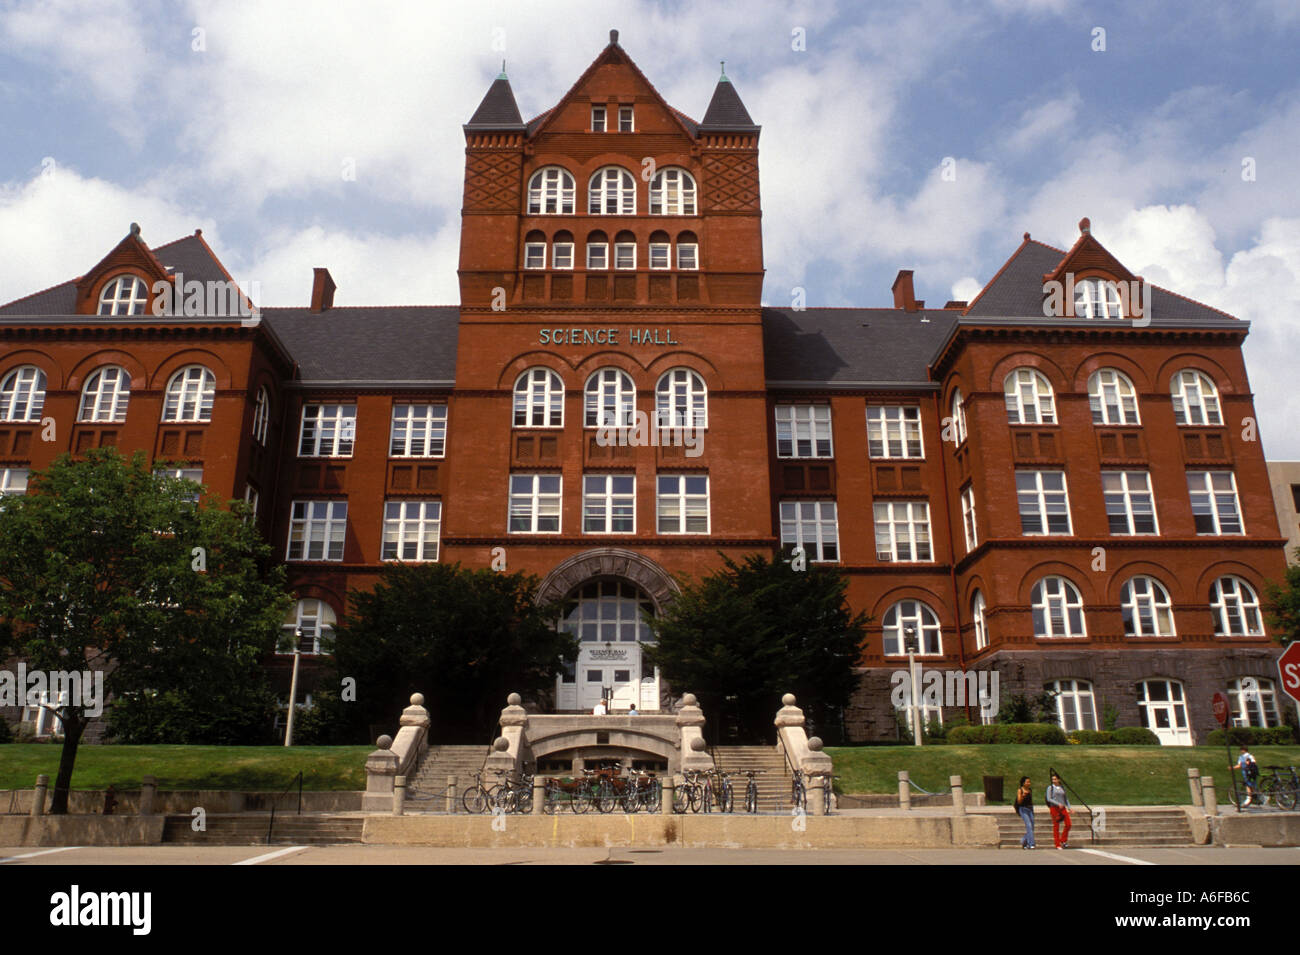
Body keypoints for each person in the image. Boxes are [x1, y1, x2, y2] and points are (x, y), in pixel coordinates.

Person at [1045, 772, 1071, 848]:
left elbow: (1065, 798)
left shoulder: (1062, 787)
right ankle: (1057, 844)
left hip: (1062, 808)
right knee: (1056, 826)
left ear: (1059, 780)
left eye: (1055, 779)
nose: (1054, 780)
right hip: (1054, 808)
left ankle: (1063, 840)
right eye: (1052, 779)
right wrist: (1057, 804)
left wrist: (1069, 807)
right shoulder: (1050, 788)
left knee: (1068, 824)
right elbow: (1049, 798)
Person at [1014, 776, 1035, 849]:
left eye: (1029, 782)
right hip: (1023, 809)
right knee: (1028, 825)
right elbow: (1019, 801)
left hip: (1030, 809)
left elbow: (1031, 800)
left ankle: (1023, 840)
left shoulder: (1030, 790)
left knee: (1032, 827)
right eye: (1027, 782)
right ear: (1023, 783)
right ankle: (1031, 844)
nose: (1029, 783)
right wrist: (1023, 796)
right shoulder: (1020, 790)